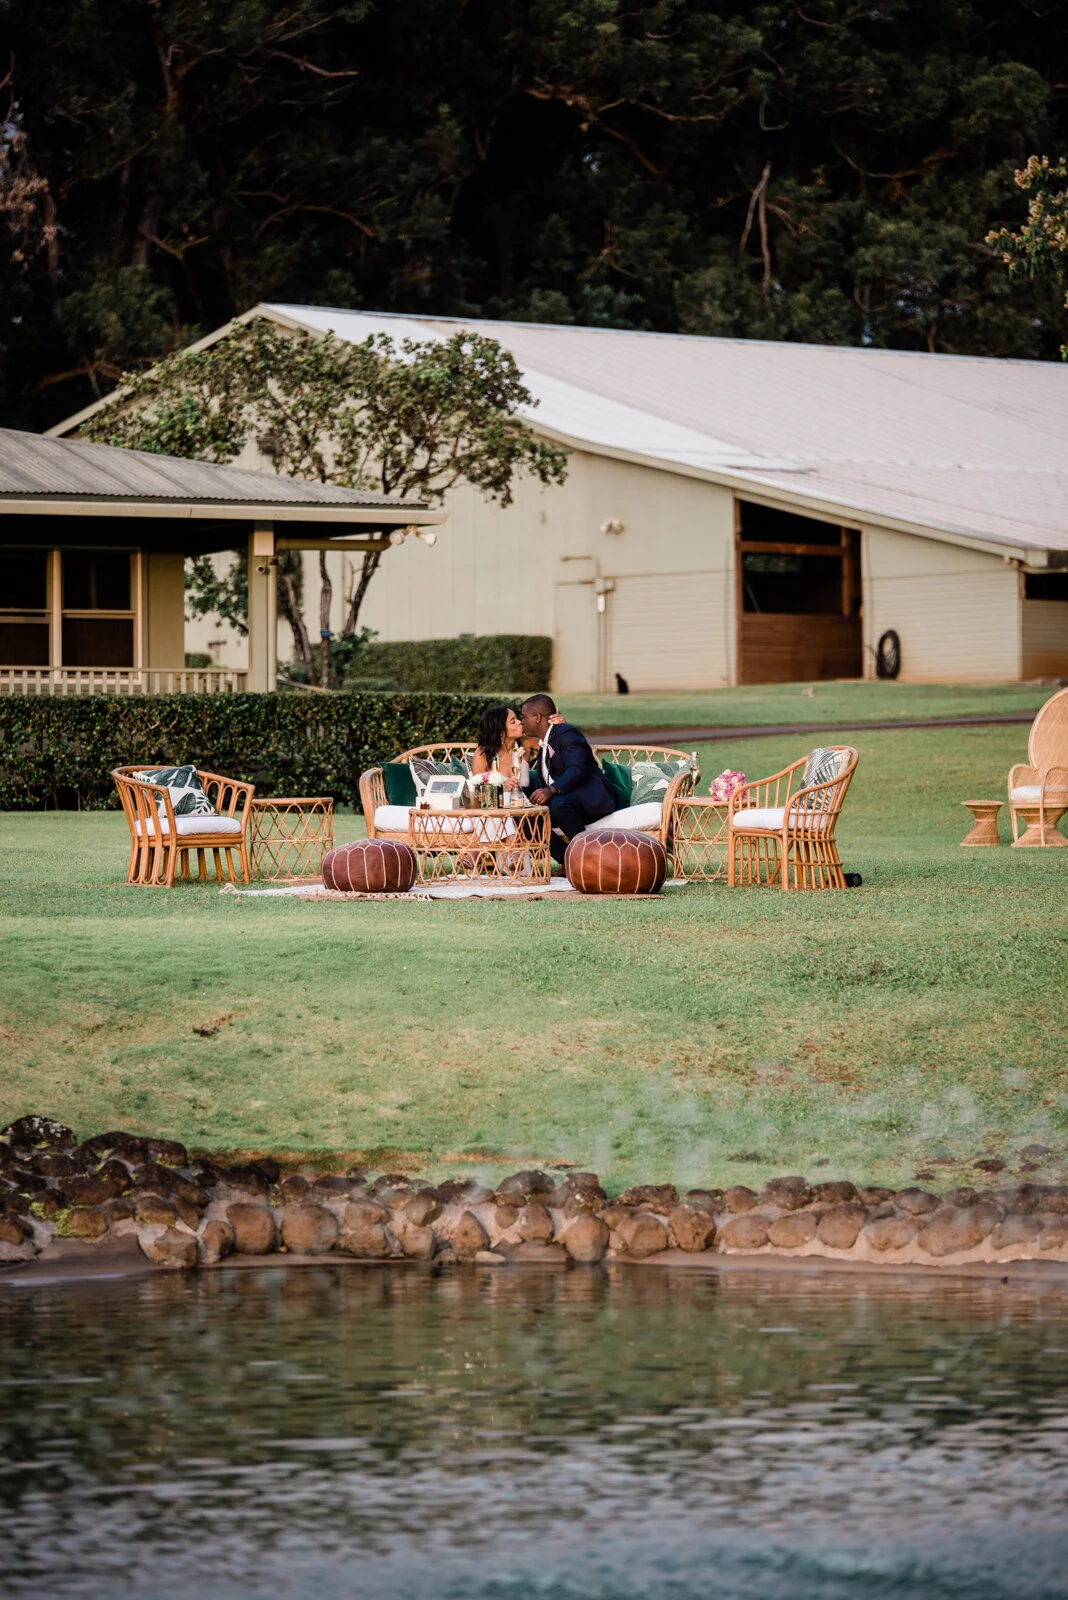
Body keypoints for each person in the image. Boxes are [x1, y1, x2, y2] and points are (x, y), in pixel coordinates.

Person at [520, 693, 614, 864]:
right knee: (525, 815)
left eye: (524, 717)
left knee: (556, 804)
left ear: (537, 717)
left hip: (590, 799)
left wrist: (551, 790)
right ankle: (569, 862)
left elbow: (577, 769)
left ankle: (589, 854)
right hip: (567, 801)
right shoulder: (544, 744)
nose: (521, 721)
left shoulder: (566, 733)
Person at [470, 704, 526, 789]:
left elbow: (548, 746)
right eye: (513, 721)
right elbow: (478, 791)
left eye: (517, 718)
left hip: (523, 801)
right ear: (501, 731)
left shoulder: (523, 747)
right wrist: (502, 789)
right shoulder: (483, 754)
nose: (519, 722)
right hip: (497, 801)